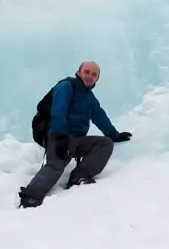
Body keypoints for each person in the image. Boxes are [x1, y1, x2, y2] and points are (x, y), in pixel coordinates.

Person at [18, 61, 132, 208]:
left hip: (76, 140)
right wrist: (59, 137)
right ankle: (31, 196)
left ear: (97, 79)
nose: (89, 76)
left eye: (94, 74)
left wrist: (114, 135)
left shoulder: (89, 97)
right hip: (57, 136)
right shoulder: (66, 87)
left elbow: (100, 117)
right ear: (78, 73)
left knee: (104, 144)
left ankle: (80, 176)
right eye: (87, 72)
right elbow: (58, 112)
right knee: (55, 166)